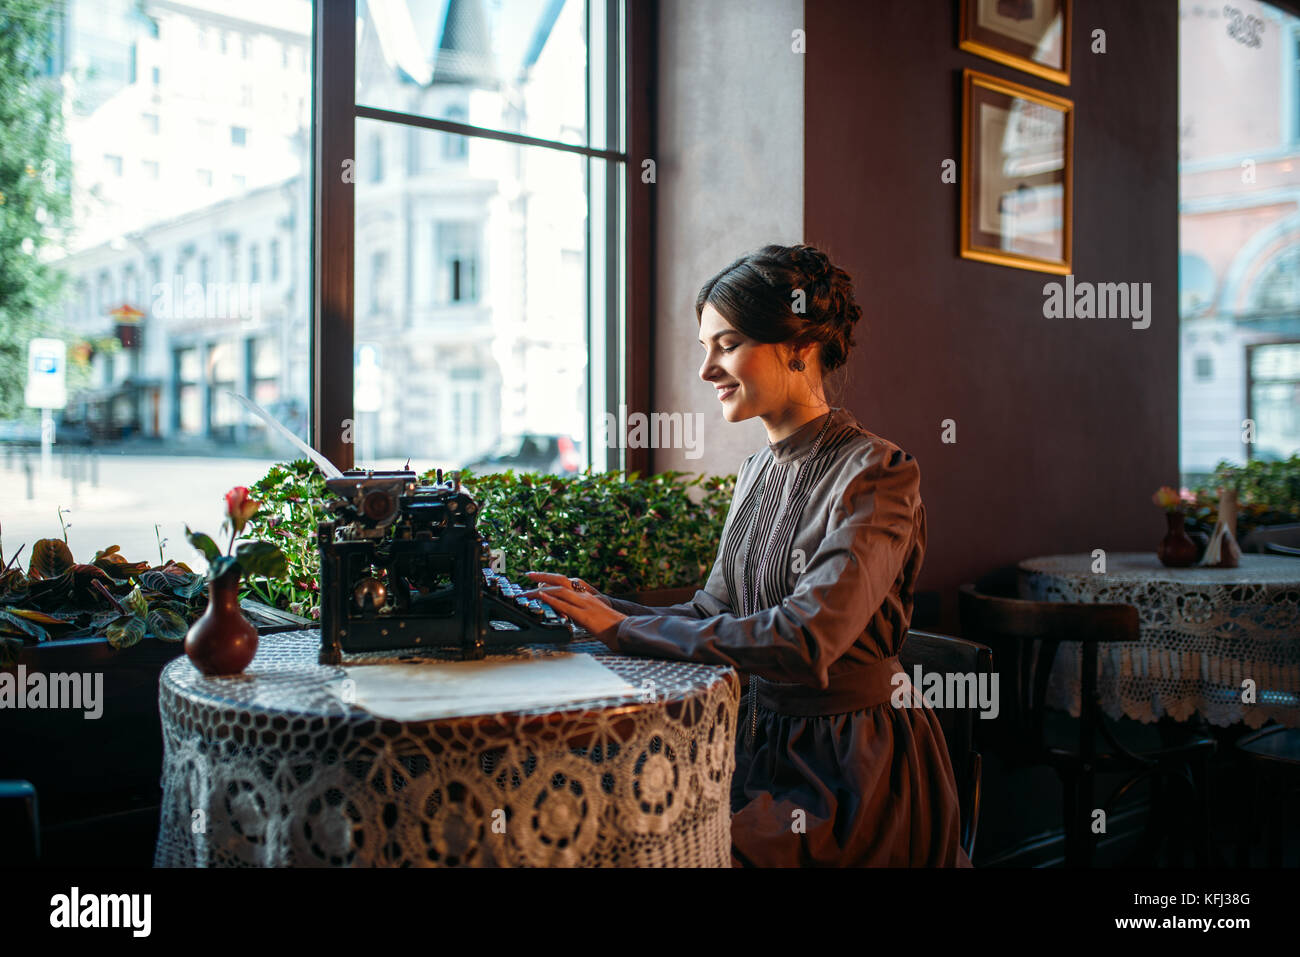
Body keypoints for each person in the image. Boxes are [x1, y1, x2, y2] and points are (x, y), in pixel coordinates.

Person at [525, 243, 971, 867]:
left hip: (850, 774)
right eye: (705, 348)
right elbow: (713, 607)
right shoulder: (755, 471)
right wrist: (600, 608)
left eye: (727, 345)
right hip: (760, 745)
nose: (707, 370)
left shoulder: (877, 472)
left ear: (799, 347)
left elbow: (807, 638)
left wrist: (625, 629)